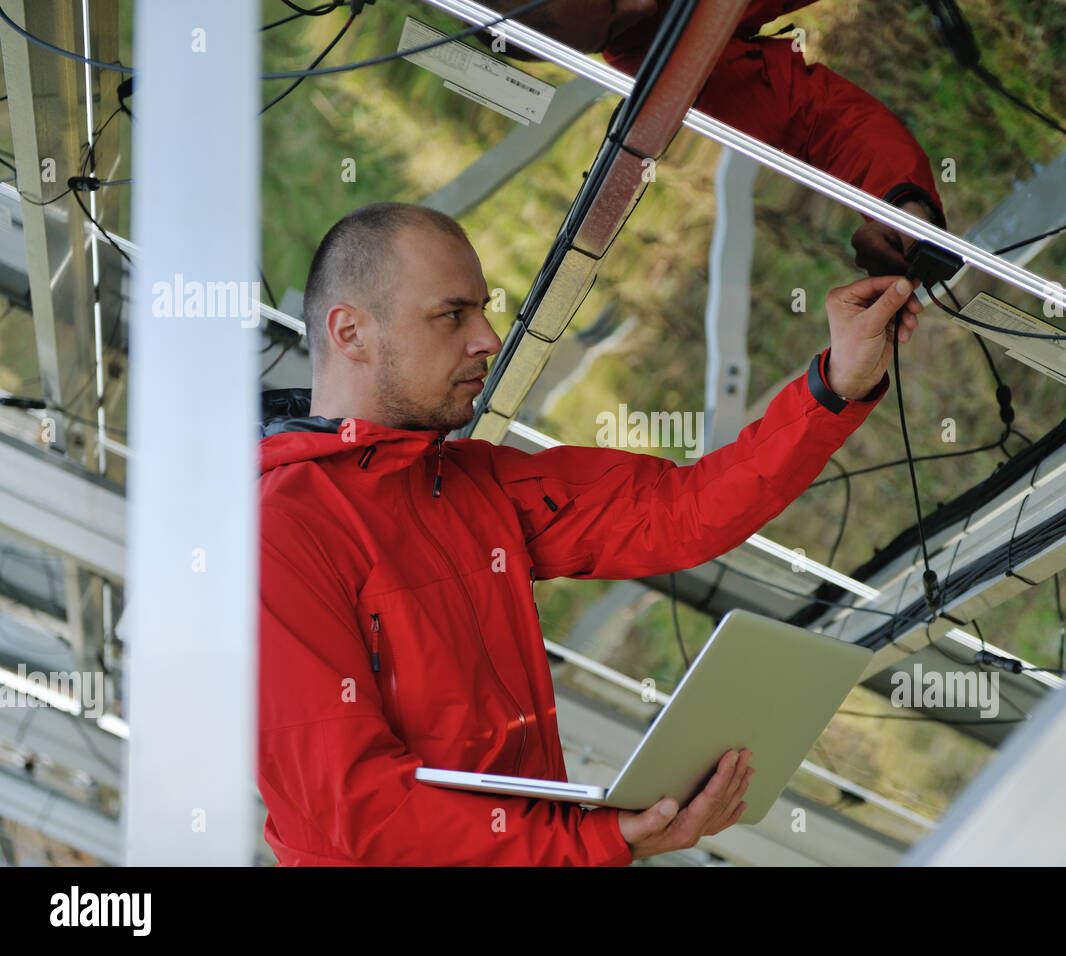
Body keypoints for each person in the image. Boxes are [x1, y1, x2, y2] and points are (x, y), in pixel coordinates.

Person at [256, 201, 921, 865]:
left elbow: (684, 512)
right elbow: (359, 808)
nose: (487, 338)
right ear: (350, 333)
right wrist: (591, 841)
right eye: (452, 314)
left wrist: (836, 384)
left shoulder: (471, 483)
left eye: (483, 310)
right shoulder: (276, 536)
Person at [480, 0, 946, 276]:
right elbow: (809, 118)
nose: (641, 5)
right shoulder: (649, 55)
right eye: (612, 18)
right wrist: (901, 208)